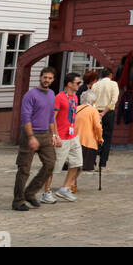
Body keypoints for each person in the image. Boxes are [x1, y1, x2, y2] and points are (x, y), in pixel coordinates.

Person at [13, 66, 59, 211]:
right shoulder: (30, 95)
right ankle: (18, 201)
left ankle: (30, 193)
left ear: (53, 80)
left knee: (50, 164)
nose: (47, 80)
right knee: (24, 169)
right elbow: (25, 118)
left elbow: (51, 117)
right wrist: (31, 137)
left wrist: (54, 135)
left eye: (50, 78)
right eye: (45, 77)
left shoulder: (52, 94)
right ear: (40, 77)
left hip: (46, 134)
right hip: (30, 135)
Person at [41, 73, 82, 201]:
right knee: (54, 166)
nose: (79, 85)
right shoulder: (59, 97)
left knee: (77, 163)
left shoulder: (75, 97)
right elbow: (52, 117)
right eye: (77, 82)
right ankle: (46, 192)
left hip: (72, 136)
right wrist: (55, 135)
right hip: (61, 137)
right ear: (69, 84)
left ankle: (64, 188)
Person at [90, 68, 120, 170]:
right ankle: (102, 164)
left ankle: (92, 161)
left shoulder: (95, 85)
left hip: (95, 112)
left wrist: (97, 113)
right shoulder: (113, 84)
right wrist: (104, 113)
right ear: (110, 75)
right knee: (107, 138)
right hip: (108, 113)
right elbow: (113, 101)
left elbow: (91, 100)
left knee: (94, 137)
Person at [74, 90, 103, 177]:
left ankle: (71, 184)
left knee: (74, 167)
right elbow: (98, 127)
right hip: (88, 142)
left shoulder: (75, 109)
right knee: (85, 168)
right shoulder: (93, 111)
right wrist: (100, 138)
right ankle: (73, 185)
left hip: (74, 140)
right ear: (93, 101)